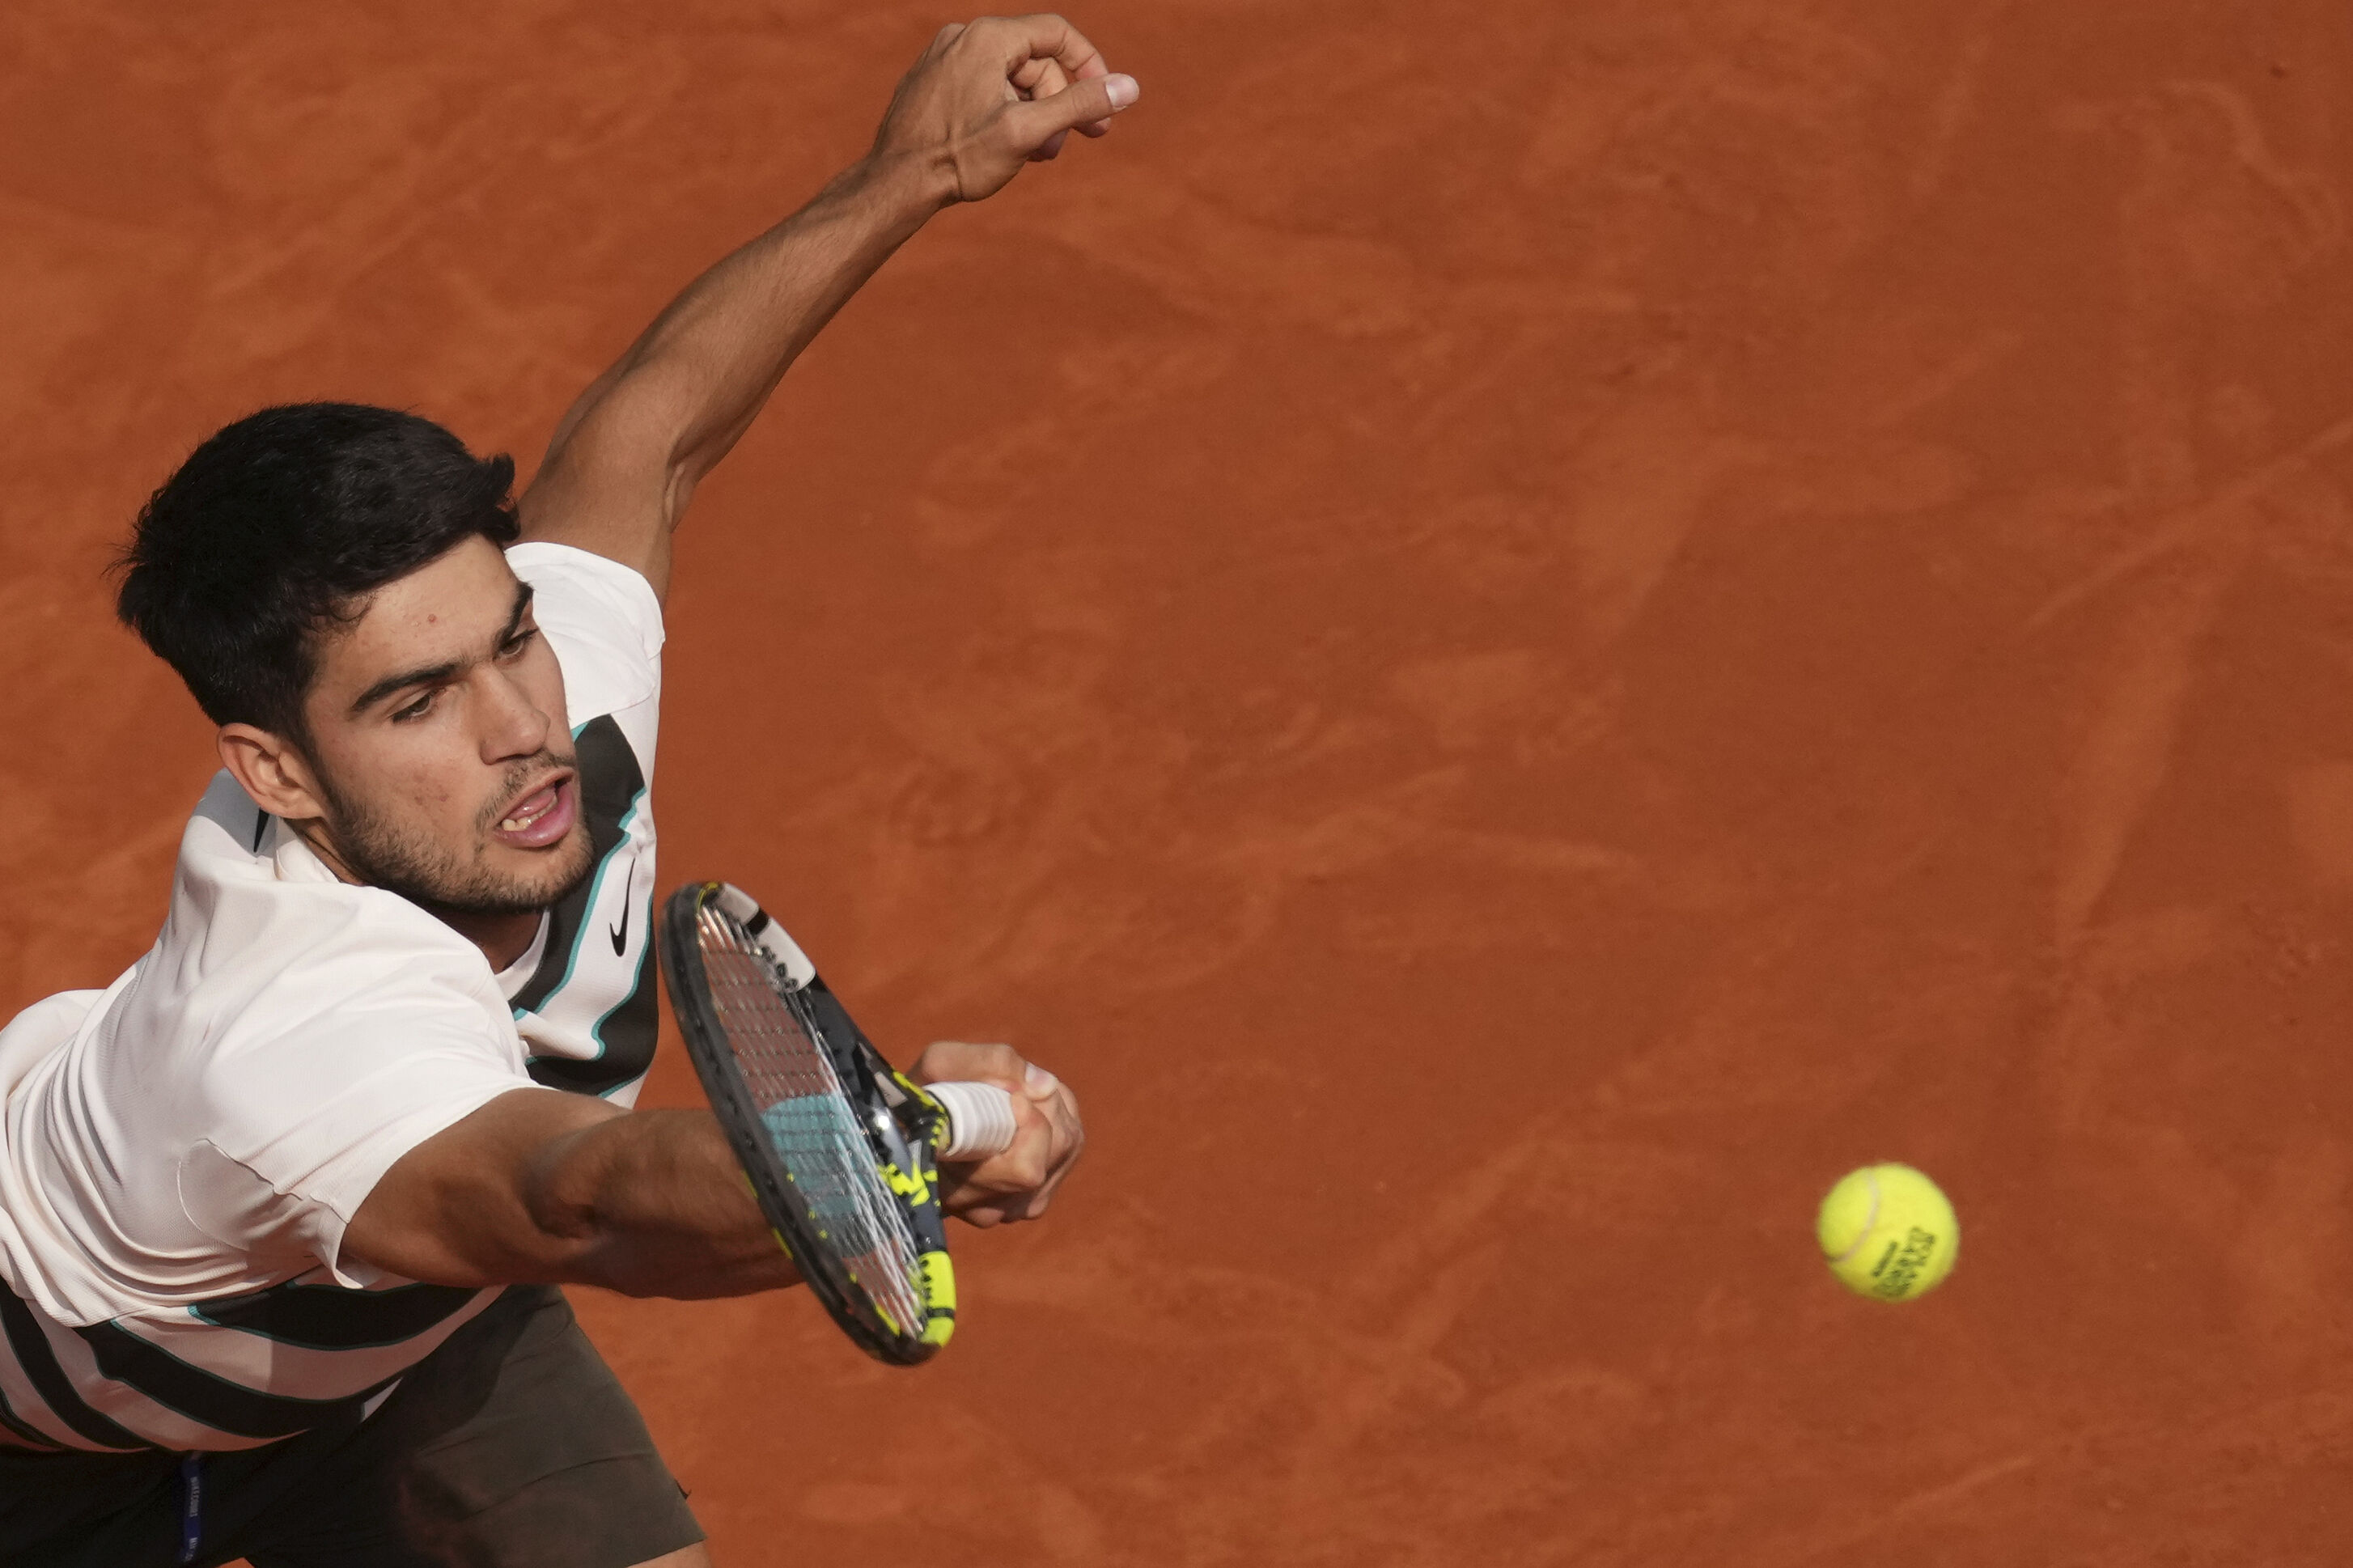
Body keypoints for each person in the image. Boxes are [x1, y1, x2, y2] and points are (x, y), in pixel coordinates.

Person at [0, 16, 1129, 1566]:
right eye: (416, 701)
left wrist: (915, 168)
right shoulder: (289, 1038)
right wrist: (895, 1137)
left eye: (510, 636)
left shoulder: (547, 704)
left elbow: (651, 432)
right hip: (45, 1454)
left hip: (395, 1348)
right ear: (278, 770)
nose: (519, 726)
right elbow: (580, 1199)